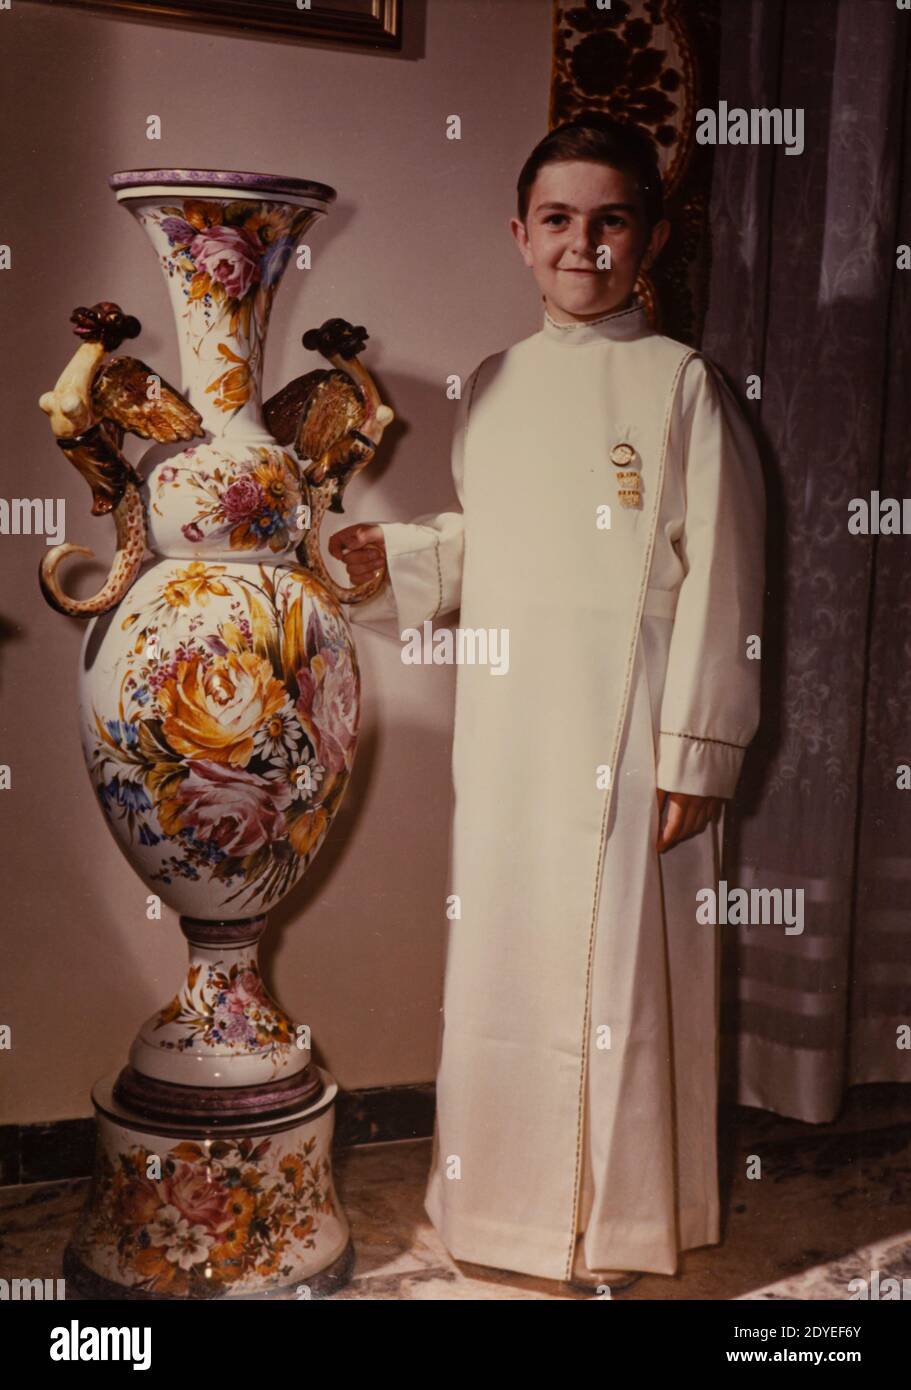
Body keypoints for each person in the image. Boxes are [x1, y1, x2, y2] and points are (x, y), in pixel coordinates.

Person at [331, 115, 765, 1290]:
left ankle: (611, 1224)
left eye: (610, 220)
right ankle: (499, 1208)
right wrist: (393, 558)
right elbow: (495, 543)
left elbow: (725, 575)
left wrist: (696, 749)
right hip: (512, 723)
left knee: (619, 970)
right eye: (558, 220)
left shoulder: (681, 384)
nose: (584, 244)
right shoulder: (497, 382)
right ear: (519, 235)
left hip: (631, 727)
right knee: (505, 965)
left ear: (650, 238)